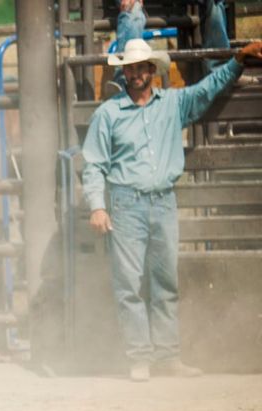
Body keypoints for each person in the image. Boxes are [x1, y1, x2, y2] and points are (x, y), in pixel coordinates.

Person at [81, 0, 262, 381]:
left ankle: (166, 355)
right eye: (129, 69)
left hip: (161, 202)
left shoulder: (173, 104)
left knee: (165, 282)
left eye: (140, 68)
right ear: (126, 73)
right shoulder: (108, 115)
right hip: (127, 204)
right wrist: (98, 207)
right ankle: (140, 357)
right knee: (128, 284)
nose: (135, 75)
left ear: (152, 71)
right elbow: (94, 164)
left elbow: (209, 87)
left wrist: (237, 60)